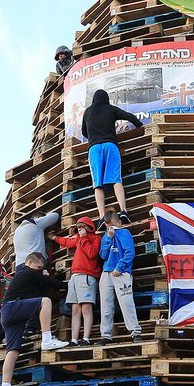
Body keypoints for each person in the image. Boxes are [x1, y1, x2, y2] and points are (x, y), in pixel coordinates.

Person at [0, 252, 69, 386]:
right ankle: (47, 339)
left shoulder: (29, 277)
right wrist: (71, 285)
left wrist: (44, 279)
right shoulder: (26, 272)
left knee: (13, 351)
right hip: (12, 309)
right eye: (38, 267)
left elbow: (39, 292)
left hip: (9, 314)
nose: (39, 270)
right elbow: (54, 284)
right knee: (46, 302)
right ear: (29, 262)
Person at [81, 89, 143, 230]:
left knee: (98, 184)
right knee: (116, 179)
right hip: (110, 145)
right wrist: (139, 125)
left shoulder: (88, 112)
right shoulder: (110, 109)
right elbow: (129, 116)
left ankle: (102, 216)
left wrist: (93, 134)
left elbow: (84, 132)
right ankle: (123, 210)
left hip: (94, 148)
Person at [52, 217, 101, 346]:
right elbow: (68, 242)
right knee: (75, 310)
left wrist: (84, 238)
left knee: (86, 308)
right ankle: (74, 339)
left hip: (87, 275)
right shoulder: (78, 239)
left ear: (89, 227)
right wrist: (54, 238)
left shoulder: (96, 239)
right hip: (74, 277)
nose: (80, 228)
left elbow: (92, 254)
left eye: (82, 226)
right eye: (78, 226)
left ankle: (86, 338)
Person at [99, 212, 142, 343]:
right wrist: (108, 238)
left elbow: (130, 252)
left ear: (119, 224)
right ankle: (106, 335)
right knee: (106, 305)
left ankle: (135, 332)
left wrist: (120, 267)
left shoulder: (124, 233)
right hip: (106, 272)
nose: (112, 229)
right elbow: (103, 255)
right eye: (108, 226)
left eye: (113, 226)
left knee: (126, 303)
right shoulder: (106, 236)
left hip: (121, 273)